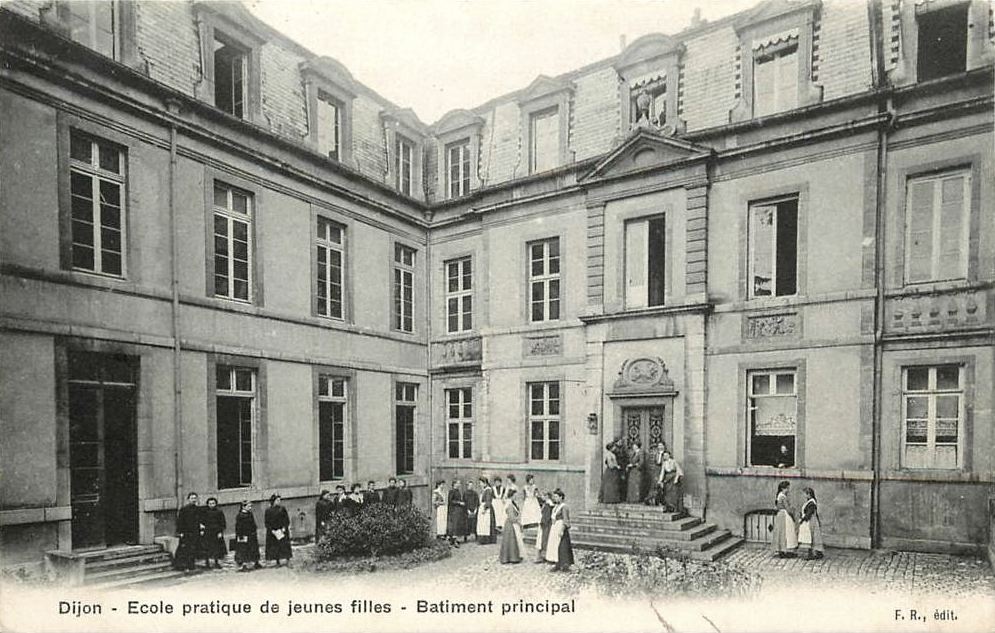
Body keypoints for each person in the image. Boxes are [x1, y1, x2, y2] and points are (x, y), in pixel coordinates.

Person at [544, 489, 574, 572]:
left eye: (557, 497)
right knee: (554, 546)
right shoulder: (555, 506)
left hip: (560, 527)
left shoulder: (564, 507)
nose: (555, 498)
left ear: (561, 497)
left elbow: (565, 519)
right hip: (554, 527)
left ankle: (565, 564)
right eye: (554, 497)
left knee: (562, 546)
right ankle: (557, 563)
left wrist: (562, 529)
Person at [173, 492, 202, 571]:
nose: (193, 500)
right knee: (184, 549)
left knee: (193, 549)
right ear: (188, 499)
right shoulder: (184, 509)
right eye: (192, 498)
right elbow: (180, 521)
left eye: (195, 498)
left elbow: (200, 520)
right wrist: (181, 532)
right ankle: (180, 565)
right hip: (186, 532)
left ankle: (191, 565)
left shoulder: (198, 509)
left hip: (195, 532)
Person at [264, 494, 292, 566]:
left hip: (282, 530)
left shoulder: (282, 509)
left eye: (280, 500)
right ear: (273, 501)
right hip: (273, 531)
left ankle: (287, 559)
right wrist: (272, 530)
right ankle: (277, 561)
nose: (279, 502)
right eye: (277, 500)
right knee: (275, 546)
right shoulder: (268, 510)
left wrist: (284, 527)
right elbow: (267, 522)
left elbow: (286, 519)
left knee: (285, 545)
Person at [771, 481, 798, 558]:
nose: (788, 490)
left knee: (781, 532)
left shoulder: (779, 496)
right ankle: (785, 550)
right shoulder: (783, 497)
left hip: (780, 514)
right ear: (783, 488)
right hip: (784, 515)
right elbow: (788, 509)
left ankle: (781, 550)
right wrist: (793, 513)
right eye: (787, 488)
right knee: (787, 532)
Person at [233, 500, 261, 571]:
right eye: (248, 506)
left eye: (251, 506)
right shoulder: (240, 516)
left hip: (252, 534)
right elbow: (238, 526)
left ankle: (256, 562)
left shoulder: (250, 514)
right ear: (243, 507)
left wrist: (254, 530)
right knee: (244, 550)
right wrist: (240, 535)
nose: (250, 508)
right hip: (244, 535)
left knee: (254, 548)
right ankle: (244, 565)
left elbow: (253, 523)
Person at [797, 487, 825, 560]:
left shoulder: (812, 503)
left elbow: (809, 513)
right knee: (813, 536)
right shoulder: (809, 502)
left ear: (809, 494)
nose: (805, 496)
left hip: (811, 521)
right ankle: (816, 553)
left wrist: (802, 519)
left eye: (806, 494)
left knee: (812, 536)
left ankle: (813, 554)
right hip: (811, 520)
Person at [498, 496, 526, 564]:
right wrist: (518, 522)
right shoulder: (510, 505)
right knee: (512, 540)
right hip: (511, 525)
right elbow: (511, 517)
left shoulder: (513, 504)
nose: (516, 497)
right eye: (515, 496)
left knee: (514, 540)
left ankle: (513, 556)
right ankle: (512, 557)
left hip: (512, 524)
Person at [201, 497, 227, 569]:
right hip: (207, 532)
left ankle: (216, 562)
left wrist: (220, 532)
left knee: (217, 548)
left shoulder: (219, 512)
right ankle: (207, 563)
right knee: (207, 548)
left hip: (216, 532)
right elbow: (202, 522)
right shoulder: (204, 512)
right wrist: (202, 530)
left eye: (213, 503)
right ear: (207, 504)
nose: (211, 505)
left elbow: (222, 523)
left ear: (215, 504)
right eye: (210, 503)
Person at [475, 476, 497, 544]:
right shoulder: (485, 490)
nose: (480, 484)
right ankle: (483, 539)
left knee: (486, 524)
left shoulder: (488, 490)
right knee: (482, 524)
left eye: (481, 483)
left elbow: (488, 500)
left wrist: (485, 508)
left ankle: (486, 540)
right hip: (483, 507)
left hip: (487, 509)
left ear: (485, 483)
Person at [446, 478, 468, 545]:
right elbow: (450, 501)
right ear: (454, 484)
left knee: (457, 525)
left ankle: (454, 539)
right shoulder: (452, 491)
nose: (459, 484)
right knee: (454, 525)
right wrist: (459, 503)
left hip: (458, 511)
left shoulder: (458, 491)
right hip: (453, 510)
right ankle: (453, 540)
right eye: (458, 483)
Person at [535, 491, 554, 563]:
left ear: (547, 497)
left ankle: (544, 556)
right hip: (544, 524)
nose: (542, 497)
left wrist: (542, 523)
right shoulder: (546, 504)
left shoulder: (548, 505)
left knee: (544, 539)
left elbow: (546, 516)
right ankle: (542, 555)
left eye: (543, 496)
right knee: (542, 540)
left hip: (545, 525)